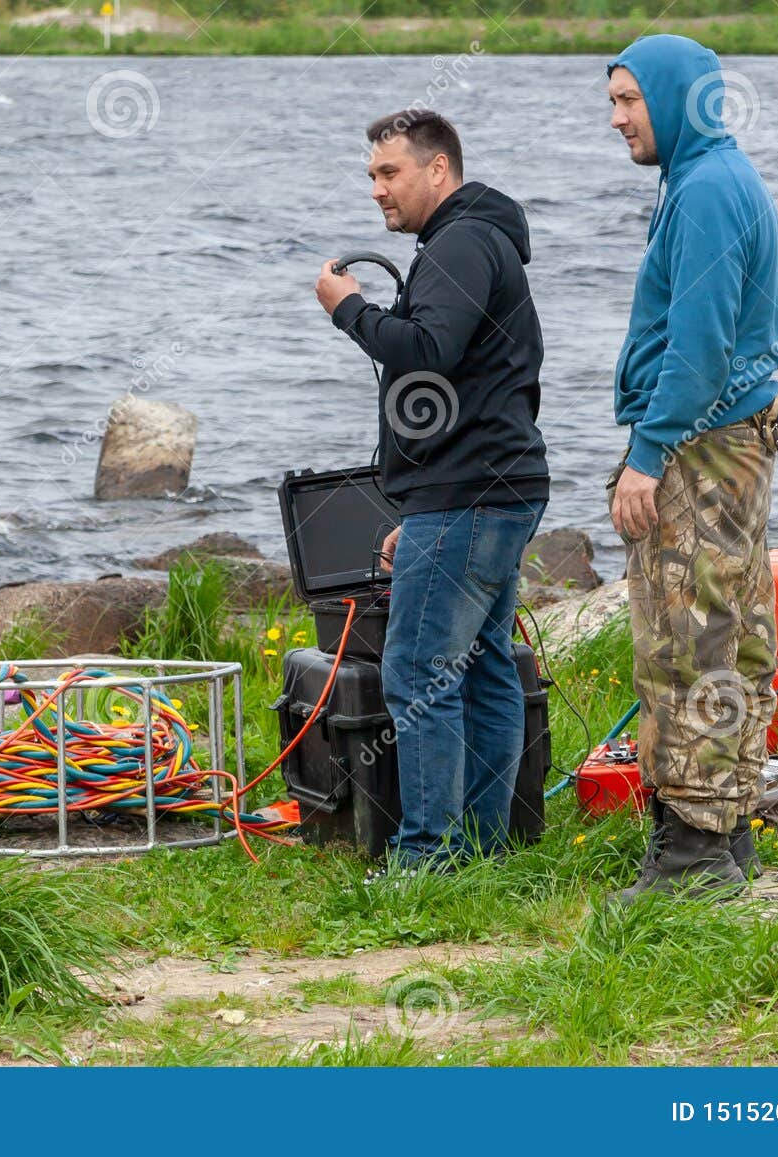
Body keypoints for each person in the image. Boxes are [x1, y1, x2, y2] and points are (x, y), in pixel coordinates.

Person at [313, 109, 550, 875]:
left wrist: (349, 308)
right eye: (372, 175)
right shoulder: (473, 240)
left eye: (391, 173)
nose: (377, 189)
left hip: (472, 491)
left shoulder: (458, 244)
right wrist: (420, 513)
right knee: (481, 663)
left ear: (437, 170)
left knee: (417, 671)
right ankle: (484, 850)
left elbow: (428, 350)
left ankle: (426, 861)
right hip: (487, 489)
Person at [602, 35, 778, 902]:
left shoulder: (710, 190)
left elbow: (701, 346)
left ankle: (690, 859)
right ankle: (722, 840)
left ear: (678, 99)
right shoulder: (708, 177)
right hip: (733, 441)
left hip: (700, 448)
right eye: (613, 102)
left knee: (687, 645)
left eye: (629, 101)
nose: (617, 120)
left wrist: (646, 454)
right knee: (734, 636)